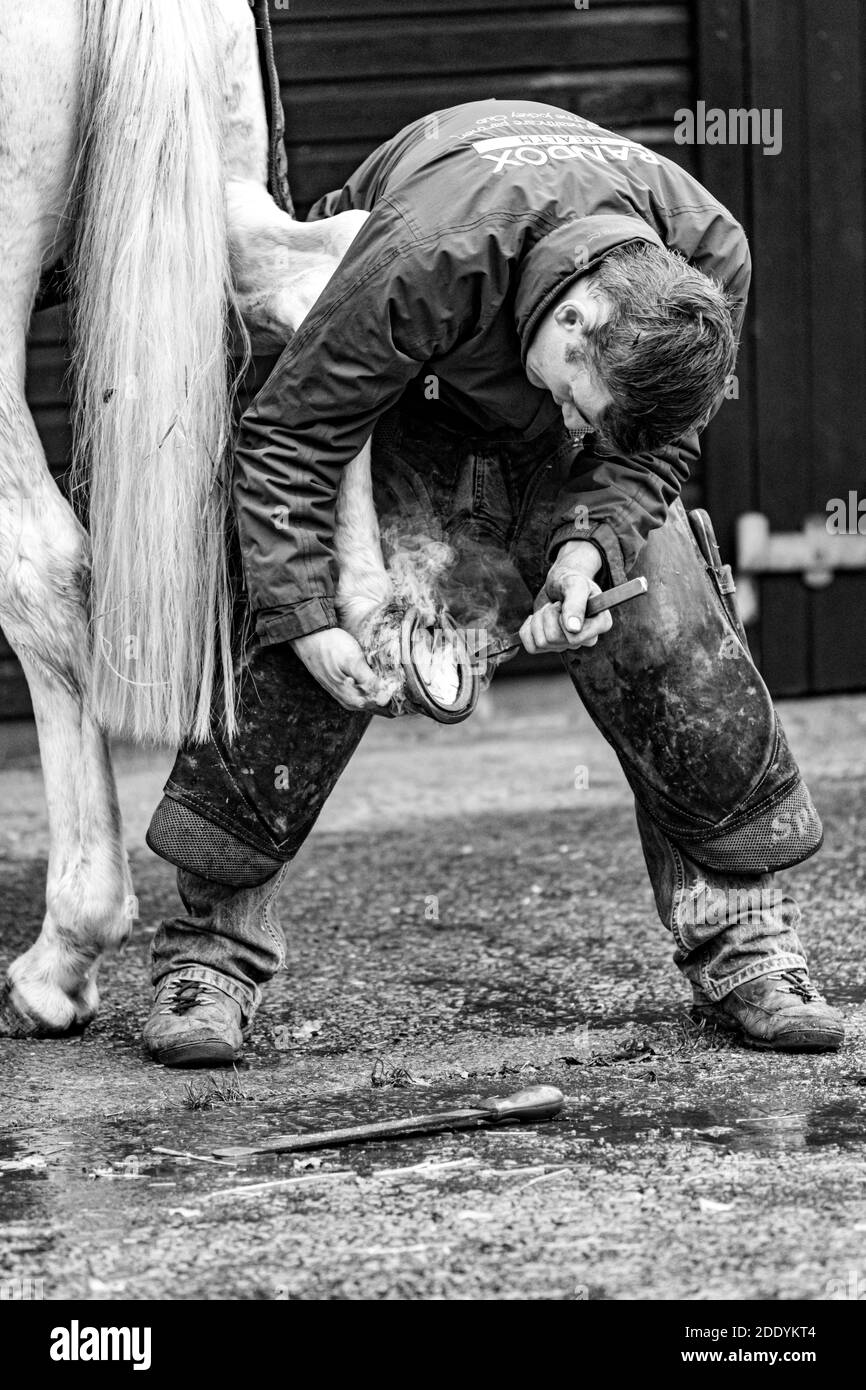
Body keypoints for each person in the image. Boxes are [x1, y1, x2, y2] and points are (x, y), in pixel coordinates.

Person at [142, 99, 843, 1066]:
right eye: (575, 394)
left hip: (529, 364)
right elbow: (292, 438)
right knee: (299, 635)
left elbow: (644, 449)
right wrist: (310, 616)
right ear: (578, 314)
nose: (581, 425)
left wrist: (583, 550)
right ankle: (208, 959)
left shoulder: (707, 260)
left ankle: (748, 940)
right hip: (397, 396)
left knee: (666, 628)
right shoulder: (422, 257)